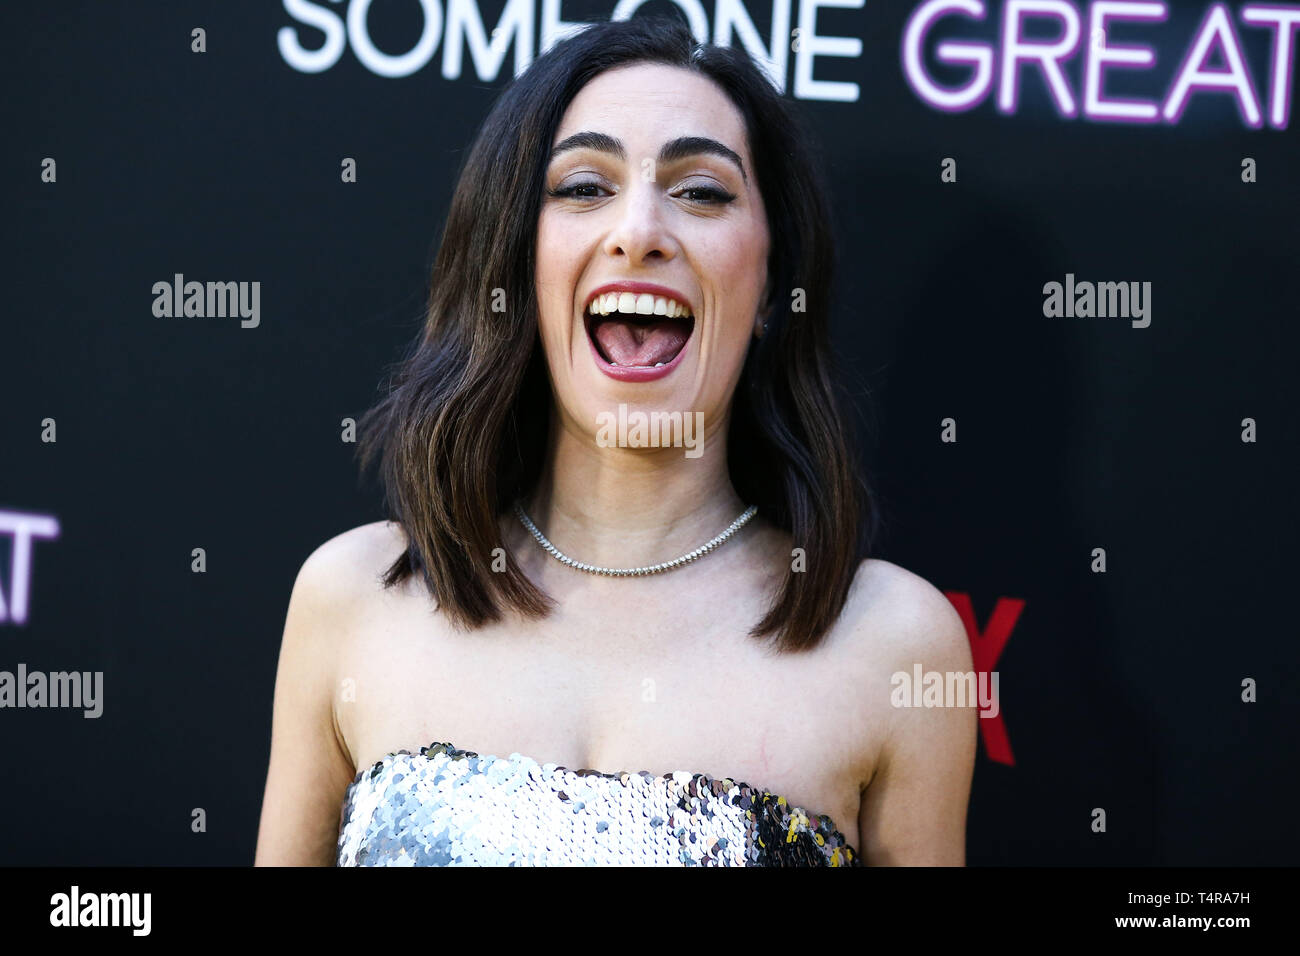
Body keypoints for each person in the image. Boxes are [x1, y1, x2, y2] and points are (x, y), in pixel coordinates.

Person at [254, 15, 975, 867]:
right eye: (584, 187)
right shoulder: (353, 600)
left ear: (775, 279)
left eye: (702, 190)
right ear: (516, 258)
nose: (639, 231)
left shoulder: (894, 644)